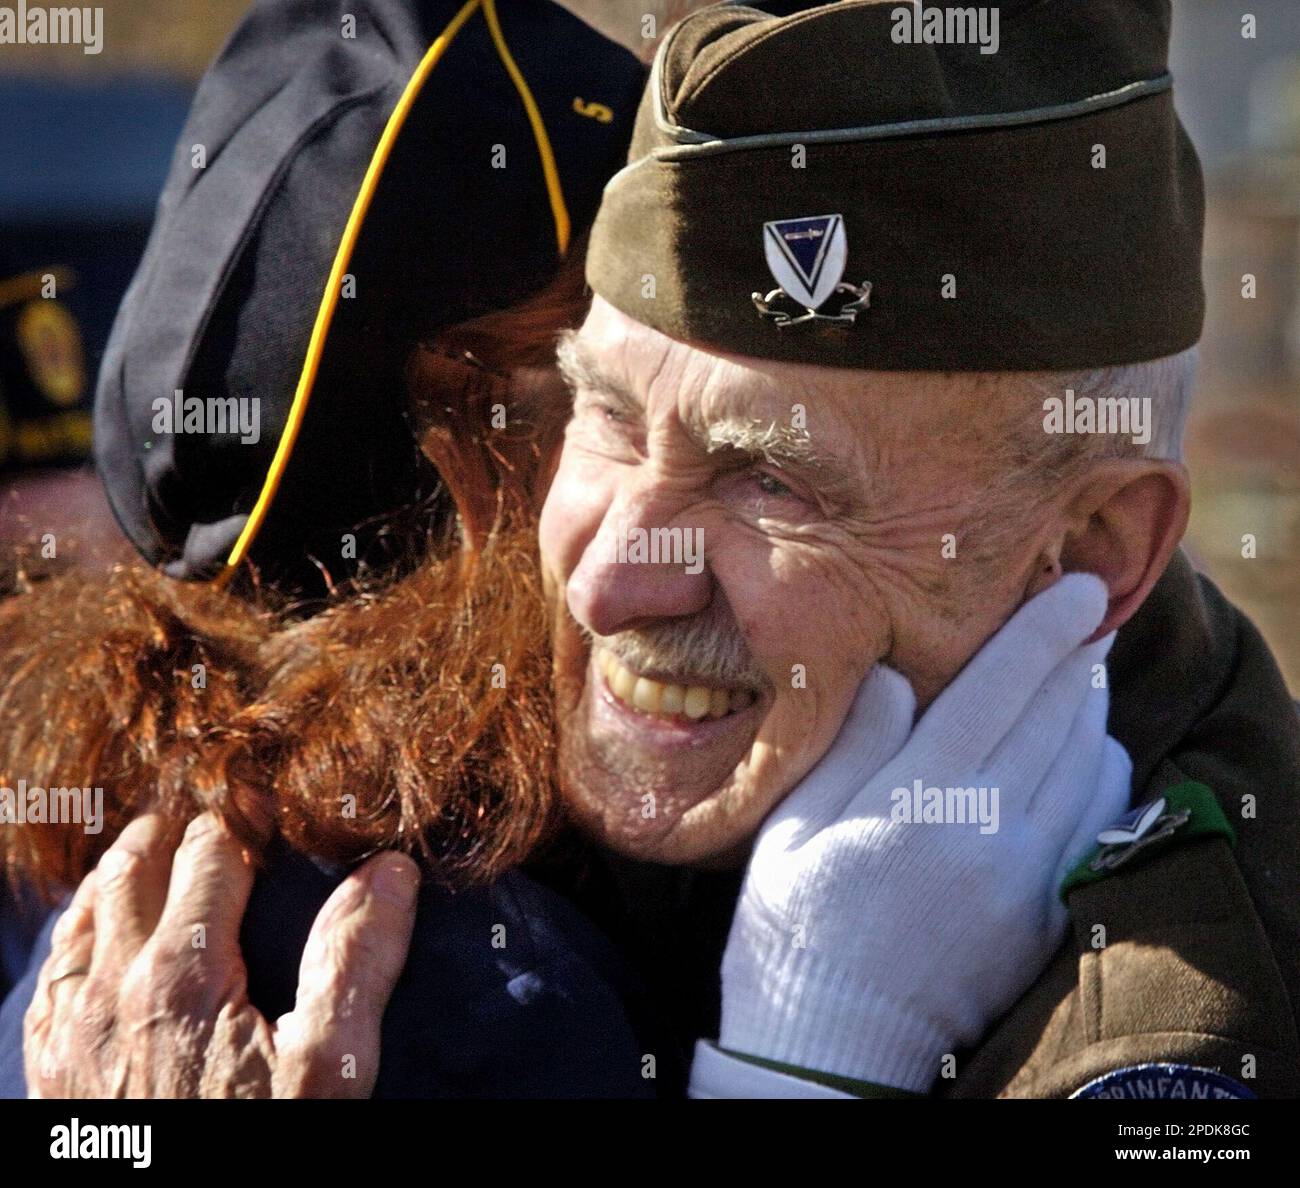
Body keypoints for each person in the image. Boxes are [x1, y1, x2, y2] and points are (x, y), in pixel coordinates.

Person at [12, 0, 1300, 1100]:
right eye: (606, 416)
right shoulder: (389, 879)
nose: (608, 574)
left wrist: (807, 1060)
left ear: (1093, 545)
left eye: (775, 482)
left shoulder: (1175, 1053)